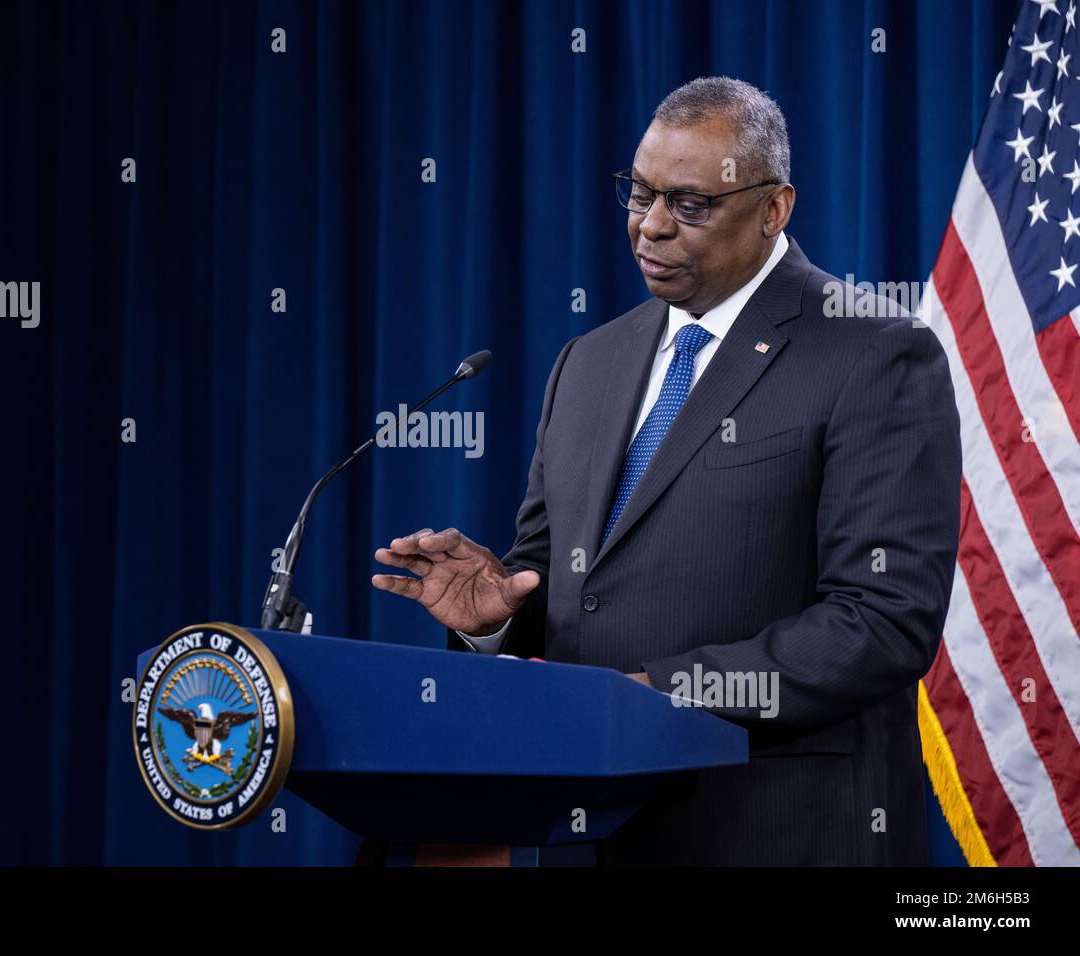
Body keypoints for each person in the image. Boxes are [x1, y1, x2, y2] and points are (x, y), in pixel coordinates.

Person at [371, 76, 961, 865]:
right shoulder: (590, 361)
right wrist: (496, 621)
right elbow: (555, 576)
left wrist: (660, 694)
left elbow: (883, 621)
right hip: (594, 829)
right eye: (639, 192)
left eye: (689, 205)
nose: (649, 226)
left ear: (773, 209)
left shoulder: (873, 350)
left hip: (773, 830)